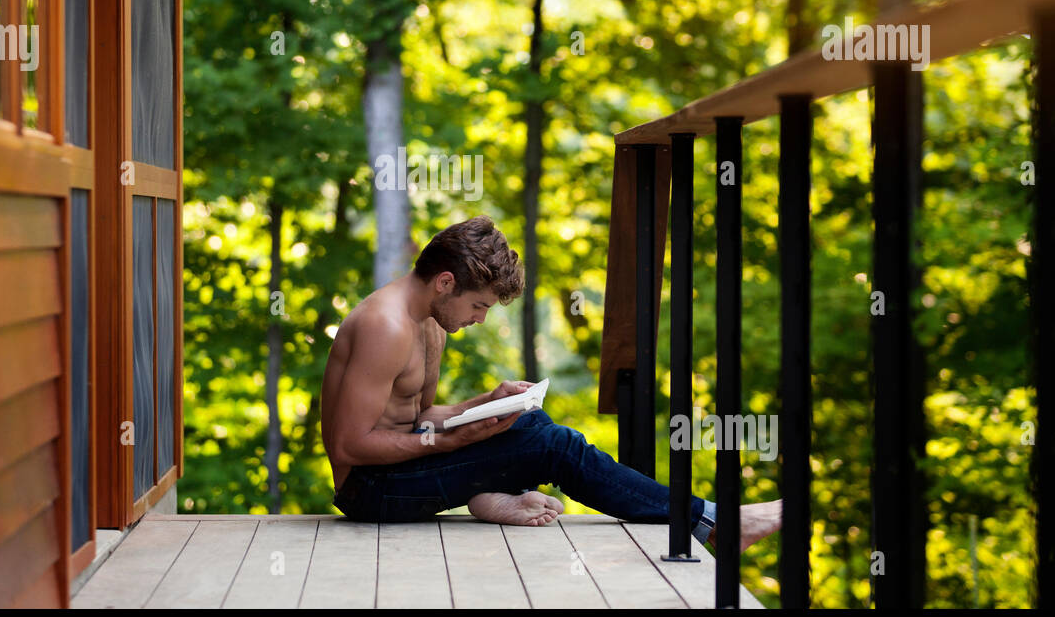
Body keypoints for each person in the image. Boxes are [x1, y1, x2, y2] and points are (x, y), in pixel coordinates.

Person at [320, 214, 782, 549]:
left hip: (404, 469)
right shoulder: (387, 326)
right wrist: (449, 443)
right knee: (553, 447)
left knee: (530, 425)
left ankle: (492, 494)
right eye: (479, 305)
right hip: (372, 492)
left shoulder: (430, 321)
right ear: (445, 283)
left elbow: (417, 418)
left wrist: (483, 405)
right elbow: (349, 447)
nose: (480, 319)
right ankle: (711, 524)